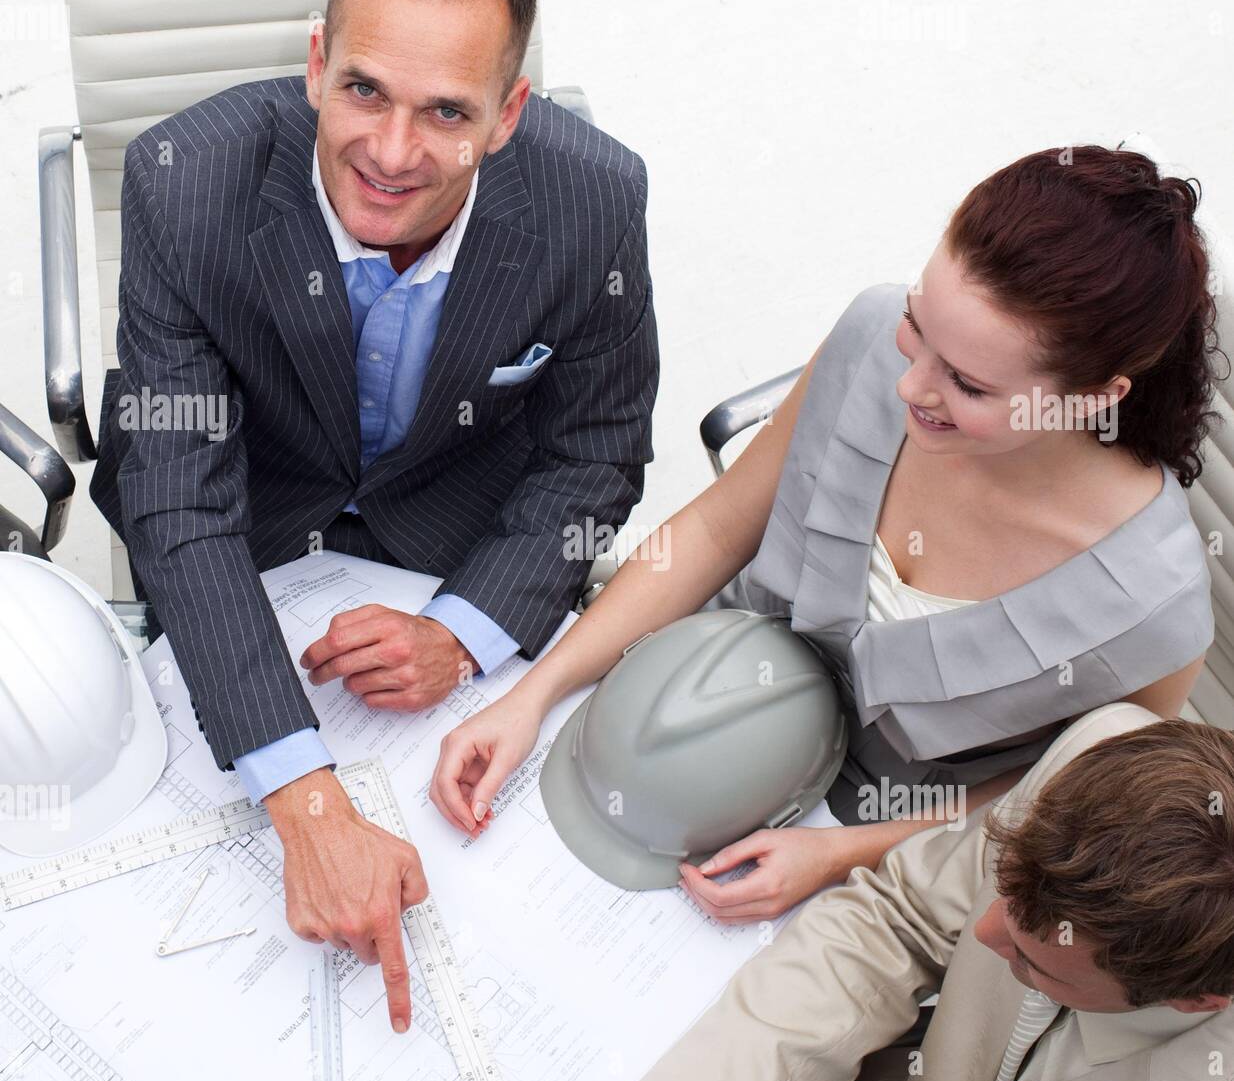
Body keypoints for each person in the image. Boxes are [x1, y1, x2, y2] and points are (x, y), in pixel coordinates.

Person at [89, 0, 658, 1030]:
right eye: (364, 91)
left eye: (447, 111)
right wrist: (305, 802)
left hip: (457, 553)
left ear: (506, 118)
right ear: (314, 64)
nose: (393, 154)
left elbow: (595, 449)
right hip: (242, 548)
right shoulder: (181, 180)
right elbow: (178, 496)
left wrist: (464, 627)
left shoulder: (594, 198)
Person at [431, 146, 1216, 922]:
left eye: (969, 384)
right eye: (919, 327)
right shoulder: (875, 332)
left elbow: (1065, 788)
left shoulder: (1154, 607)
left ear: (1091, 398)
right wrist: (535, 697)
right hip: (686, 704)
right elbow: (713, 528)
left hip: (883, 846)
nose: (908, 384)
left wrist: (845, 855)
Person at [586, 705, 1234, 1081]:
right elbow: (900, 920)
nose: (982, 936)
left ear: (1193, 999)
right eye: (1001, 890)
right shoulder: (1105, 750)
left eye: (1032, 963)